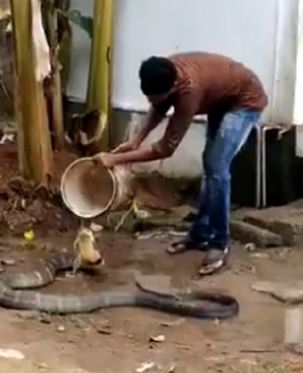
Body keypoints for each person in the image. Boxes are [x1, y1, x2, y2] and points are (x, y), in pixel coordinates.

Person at [94, 52, 268, 275]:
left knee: (216, 168)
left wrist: (115, 159)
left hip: (244, 101)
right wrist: (136, 140)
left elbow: (166, 148)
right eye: (148, 97)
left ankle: (219, 243)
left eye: (156, 97)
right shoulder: (163, 71)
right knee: (211, 165)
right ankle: (200, 235)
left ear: (174, 87)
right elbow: (159, 106)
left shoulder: (188, 92)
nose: (152, 102)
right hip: (220, 99)